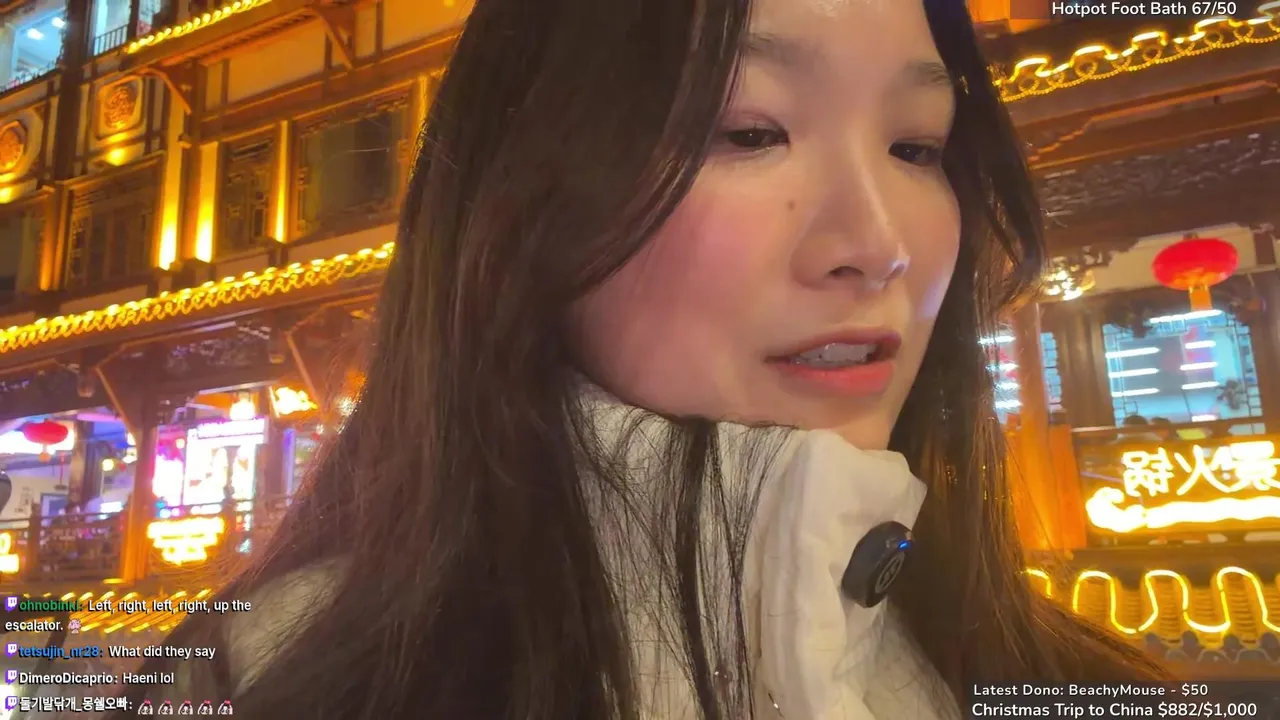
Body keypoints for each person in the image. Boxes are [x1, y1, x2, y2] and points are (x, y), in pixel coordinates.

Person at [111, 0, 1169, 717]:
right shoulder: (262, 681)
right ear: (526, 195)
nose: (877, 242)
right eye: (749, 132)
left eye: (917, 147)